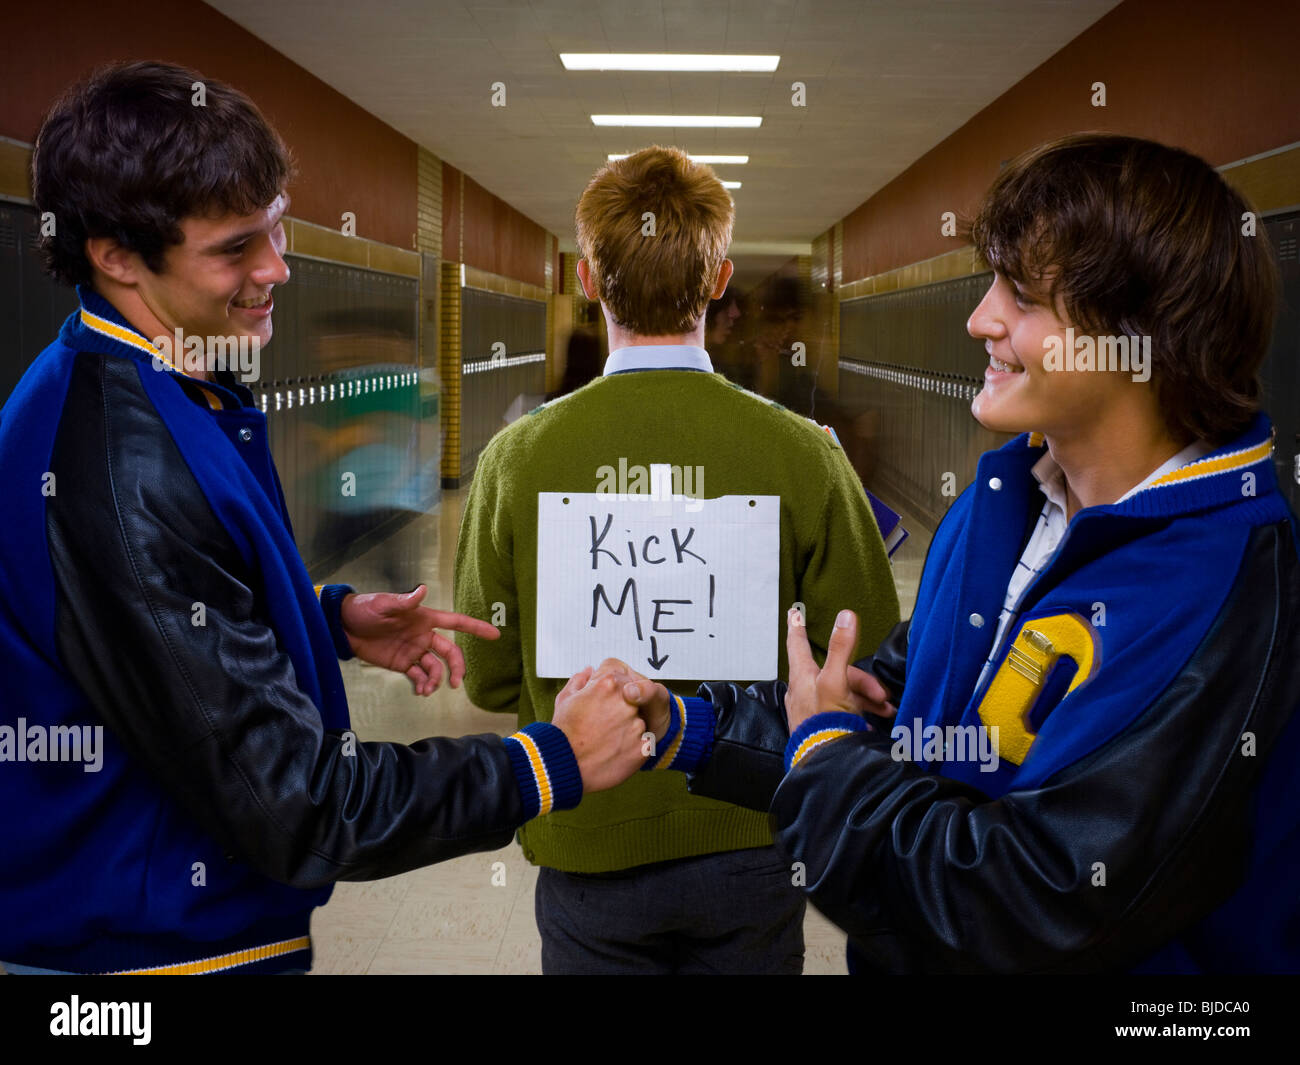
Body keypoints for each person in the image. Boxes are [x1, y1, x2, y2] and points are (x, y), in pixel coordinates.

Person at [0, 60, 651, 975]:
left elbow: (164, 629)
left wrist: (324, 618)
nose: (277, 268)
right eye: (235, 248)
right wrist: (547, 762)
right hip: (146, 961)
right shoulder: (124, 466)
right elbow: (299, 807)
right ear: (114, 253)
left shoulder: (160, 380)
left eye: (276, 227)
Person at [599, 133, 1300, 973]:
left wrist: (826, 763)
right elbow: (898, 714)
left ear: (1137, 336)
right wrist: (692, 725)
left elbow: (1035, 896)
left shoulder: (1219, 583)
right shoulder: (998, 503)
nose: (980, 320)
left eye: (1024, 297)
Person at [453, 145, 900, 974]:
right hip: (757, 828)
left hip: (587, 829)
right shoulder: (805, 453)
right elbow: (865, 656)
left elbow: (487, 676)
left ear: (587, 281)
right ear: (720, 279)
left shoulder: (515, 459)